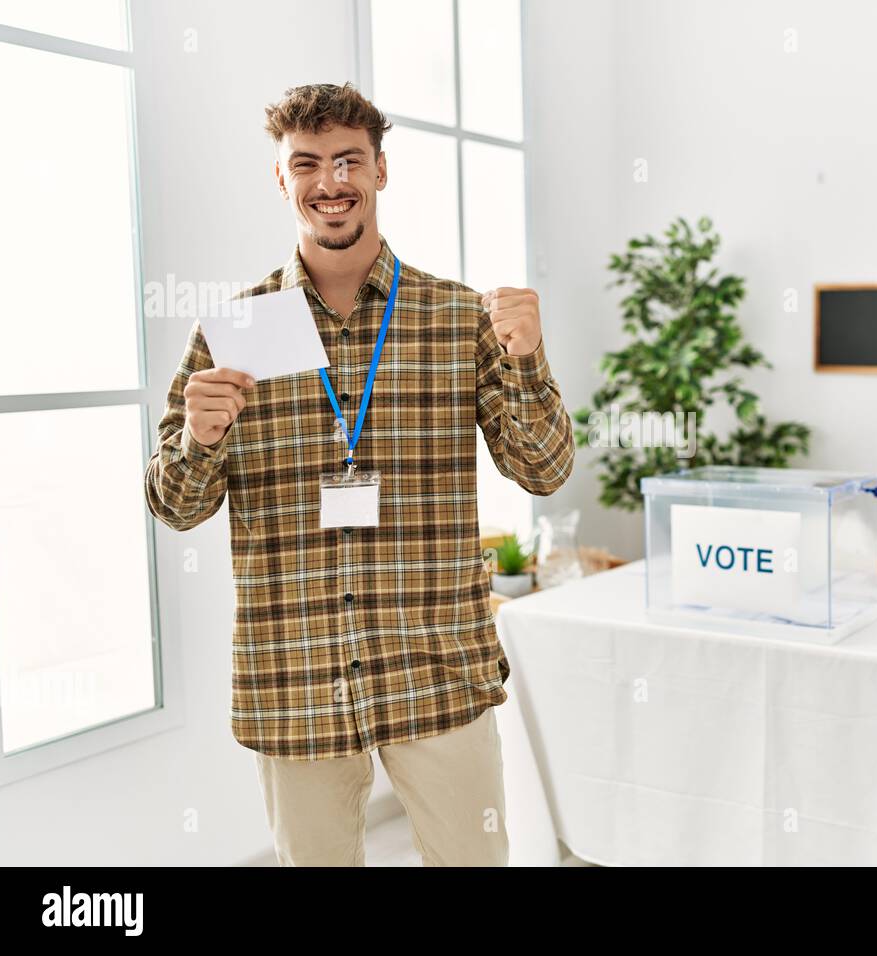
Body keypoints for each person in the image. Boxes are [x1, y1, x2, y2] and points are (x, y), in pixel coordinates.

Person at [144, 83, 574, 866]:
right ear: (283, 180)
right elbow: (174, 507)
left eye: (349, 160)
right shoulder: (234, 331)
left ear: (380, 171)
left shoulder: (458, 317)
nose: (330, 181)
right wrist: (199, 441)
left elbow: (541, 471)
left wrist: (529, 360)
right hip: (295, 670)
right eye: (306, 163)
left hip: (438, 666)